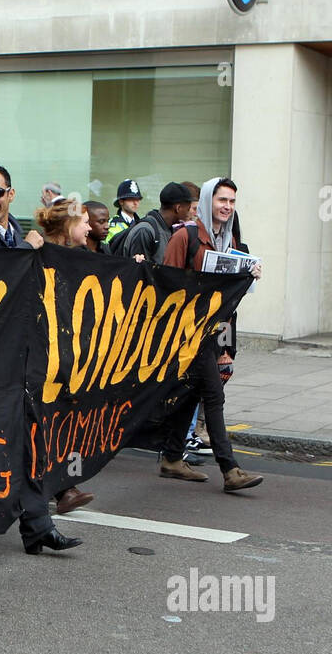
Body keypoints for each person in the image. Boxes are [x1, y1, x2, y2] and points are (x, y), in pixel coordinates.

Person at [0, 162, 85, 551]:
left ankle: (37, 525)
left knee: (28, 439)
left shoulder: (18, 231)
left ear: (10, 194)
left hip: (21, 355)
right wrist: (27, 250)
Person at [159, 178, 264, 492]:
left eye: (231, 201)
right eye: (221, 200)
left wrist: (248, 276)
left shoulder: (227, 238)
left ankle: (172, 458)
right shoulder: (185, 236)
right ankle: (230, 469)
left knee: (192, 394)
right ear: (207, 200)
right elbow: (166, 284)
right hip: (186, 333)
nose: (227, 207)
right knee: (214, 395)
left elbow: (227, 299)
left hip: (211, 332)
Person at [35, 198, 97, 514]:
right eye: (84, 221)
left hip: (68, 357)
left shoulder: (83, 258)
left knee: (61, 424)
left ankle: (60, 488)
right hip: (42, 357)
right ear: (69, 225)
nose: (88, 227)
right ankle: (61, 489)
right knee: (47, 424)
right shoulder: (39, 256)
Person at [117, 182, 194, 263]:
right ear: (178, 208)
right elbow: (140, 270)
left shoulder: (171, 229)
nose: (190, 213)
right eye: (188, 209)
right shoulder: (145, 231)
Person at [104, 178, 143, 247]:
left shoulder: (141, 224)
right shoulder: (110, 225)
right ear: (121, 201)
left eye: (137, 199)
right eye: (131, 199)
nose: (135, 203)